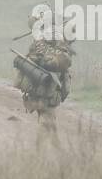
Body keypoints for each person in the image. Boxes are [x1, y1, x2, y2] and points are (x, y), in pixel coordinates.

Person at [13, 13, 72, 142]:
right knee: (46, 117)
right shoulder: (61, 47)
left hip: (35, 88)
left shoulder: (37, 44)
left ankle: (56, 146)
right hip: (50, 90)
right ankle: (39, 151)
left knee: (47, 116)